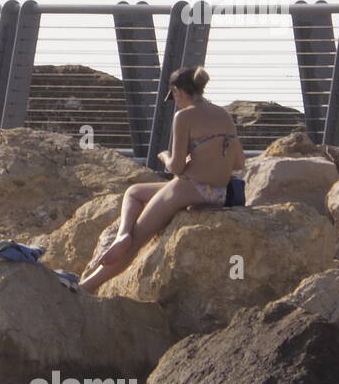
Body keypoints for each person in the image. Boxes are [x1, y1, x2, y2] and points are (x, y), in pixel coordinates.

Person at [77, 65, 244, 292]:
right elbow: (238, 163)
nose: (175, 101)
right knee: (135, 192)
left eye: (173, 96)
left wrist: (165, 156)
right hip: (220, 193)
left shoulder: (184, 116)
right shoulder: (223, 114)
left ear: (177, 91)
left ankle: (87, 284)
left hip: (189, 188)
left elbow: (175, 167)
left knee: (137, 241)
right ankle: (122, 233)